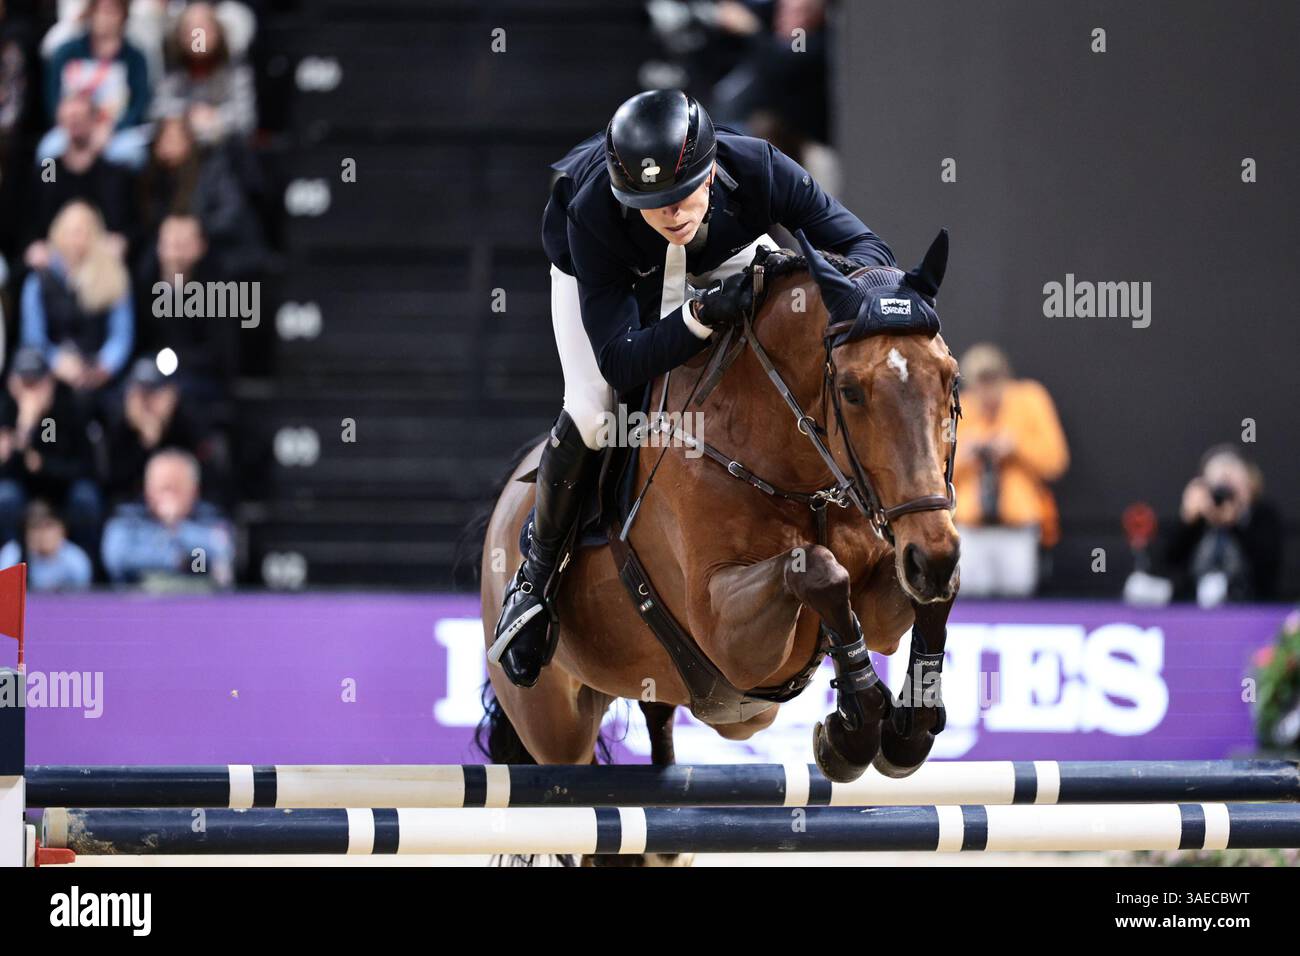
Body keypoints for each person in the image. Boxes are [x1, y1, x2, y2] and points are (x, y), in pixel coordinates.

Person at [489, 88, 895, 687]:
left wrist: (828, 291)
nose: (674, 214)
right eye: (653, 204)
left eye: (684, 195)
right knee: (596, 412)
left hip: (727, 249)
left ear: (711, 171)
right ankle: (536, 578)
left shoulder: (756, 166)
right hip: (616, 277)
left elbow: (869, 249)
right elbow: (624, 360)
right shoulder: (594, 208)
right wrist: (701, 317)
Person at [952, 343, 1069, 597]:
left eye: (992, 380)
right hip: (970, 528)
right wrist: (966, 454)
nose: (987, 390)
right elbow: (937, 471)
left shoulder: (1029, 400)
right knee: (968, 598)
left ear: (1005, 378)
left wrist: (1016, 448)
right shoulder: (960, 407)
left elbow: (1055, 462)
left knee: (1018, 596)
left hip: (1017, 526)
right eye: (980, 382)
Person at [20, 199, 134, 393]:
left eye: (84, 232)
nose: (77, 240)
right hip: (51, 370)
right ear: (58, 233)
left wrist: (103, 366)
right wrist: (56, 362)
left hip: (99, 371)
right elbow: (33, 337)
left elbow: (121, 335)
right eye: (71, 232)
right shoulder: (38, 280)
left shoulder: (114, 276)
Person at [0, 346, 101, 551]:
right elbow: (6, 471)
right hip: (23, 489)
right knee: (6, 497)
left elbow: (86, 466)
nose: (31, 391)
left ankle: (89, 569)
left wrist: (43, 465)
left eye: (36, 383)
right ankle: (8, 569)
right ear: (13, 384)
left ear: (49, 381)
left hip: (62, 489)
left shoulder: (69, 406)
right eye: (25, 383)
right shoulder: (6, 409)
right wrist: (25, 425)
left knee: (85, 497)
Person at [24, 92, 136, 262]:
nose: (74, 122)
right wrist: (35, 244)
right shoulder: (50, 167)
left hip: (99, 253)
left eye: (80, 116)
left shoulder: (111, 170)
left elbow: (123, 221)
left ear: (94, 121)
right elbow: (37, 215)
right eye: (69, 117)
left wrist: (121, 242)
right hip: (56, 252)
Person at [101, 447, 233, 589]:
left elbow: (221, 553)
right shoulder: (127, 520)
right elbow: (117, 559)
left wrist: (177, 528)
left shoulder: (210, 519)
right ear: (146, 489)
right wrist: (176, 560)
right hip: (140, 603)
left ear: (194, 491)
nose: (168, 496)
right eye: (163, 487)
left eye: (176, 488)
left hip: (196, 600)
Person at [1165, 445, 1283, 605]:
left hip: (1251, 607)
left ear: (1250, 483)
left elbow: (1267, 570)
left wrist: (1235, 523)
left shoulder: (1264, 517)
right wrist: (1188, 521)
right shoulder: (1198, 522)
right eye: (1218, 483)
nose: (1224, 493)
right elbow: (1168, 565)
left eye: (1232, 482)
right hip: (1194, 610)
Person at [41, 0, 152, 167]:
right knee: (47, 153)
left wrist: (112, 130)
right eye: (99, 11)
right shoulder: (66, 52)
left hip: (116, 133)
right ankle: (50, 190)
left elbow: (139, 104)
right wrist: (75, 130)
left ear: (123, 17)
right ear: (90, 13)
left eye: (111, 12)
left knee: (132, 155)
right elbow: (53, 99)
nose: (104, 18)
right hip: (71, 131)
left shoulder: (135, 58)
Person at [151, 2, 255, 145]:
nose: (197, 39)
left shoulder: (234, 69)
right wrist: (187, 116)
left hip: (225, 149)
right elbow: (158, 109)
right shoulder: (173, 70)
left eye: (203, 29)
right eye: (190, 30)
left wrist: (216, 118)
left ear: (217, 32)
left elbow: (246, 118)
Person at [103, 357, 202, 504]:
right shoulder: (113, 423)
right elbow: (110, 482)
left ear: (171, 395)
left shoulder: (187, 424)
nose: (147, 402)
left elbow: (195, 478)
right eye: (141, 394)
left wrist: (156, 437)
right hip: (127, 508)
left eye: (155, 393)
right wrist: (144, 441)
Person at [0, 498, 93, 591]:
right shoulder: (13, 553)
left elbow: (82, 596)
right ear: (25, 531)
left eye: (48, 526)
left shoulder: (75, 557)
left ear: (62, 530)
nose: (42, 534)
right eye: (35, 527)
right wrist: (25, 555)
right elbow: (5, 590)